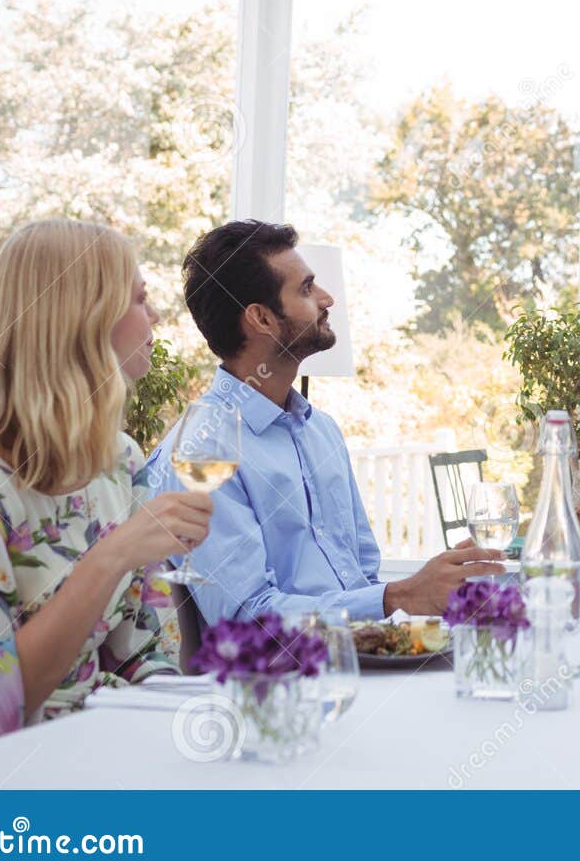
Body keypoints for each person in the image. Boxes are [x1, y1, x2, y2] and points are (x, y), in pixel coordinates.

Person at [0, 220, 211, 774]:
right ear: (84, 319)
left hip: (93, 753)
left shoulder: (116, 460)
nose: (157, 318)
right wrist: (113, 555)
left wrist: (177, 728)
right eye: (141, 299)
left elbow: (144, 652)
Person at [144, 220, 503, 624]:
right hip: (276, 682)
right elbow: (245, 617)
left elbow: (363, 576)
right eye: (306, 288)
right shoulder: (201, 450)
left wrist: (408, 608)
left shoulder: (321, 430)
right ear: (261, 319)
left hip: (358, 664)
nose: (327, 298)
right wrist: (399, 596)